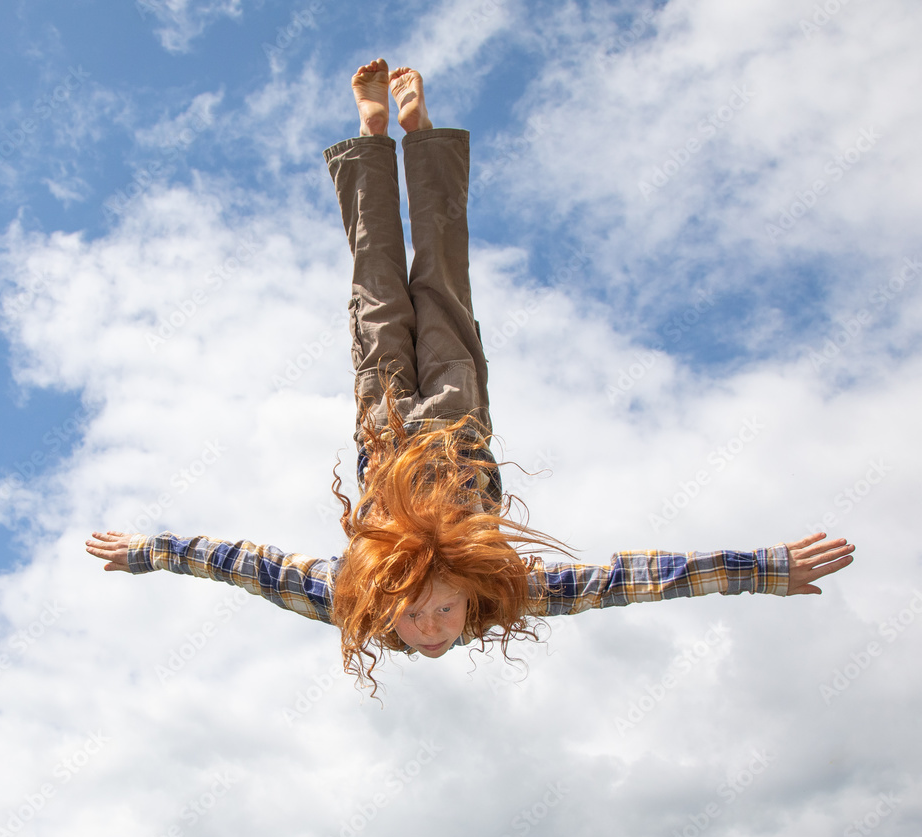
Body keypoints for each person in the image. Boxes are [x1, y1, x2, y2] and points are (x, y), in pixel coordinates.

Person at [86, 59, 855, 698]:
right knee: (443, 282)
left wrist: (148, 549)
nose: (430, 621)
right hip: (458, 415)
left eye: (418, 617)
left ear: (385, 607)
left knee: (376, 289)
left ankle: (370, 136)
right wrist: (763, 568)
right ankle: (422, 139)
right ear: (468, 605)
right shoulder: (510, 592)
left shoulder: (341, 593)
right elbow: (631, 578)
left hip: (384, 418)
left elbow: (239, 565)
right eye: (442, 616)